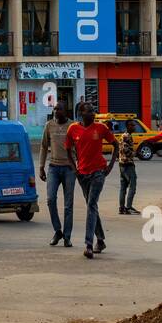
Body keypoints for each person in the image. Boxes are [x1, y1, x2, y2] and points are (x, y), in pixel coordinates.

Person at [65, 102, 116, 259]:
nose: (93, 114)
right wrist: (74, 169)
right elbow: (67, 149)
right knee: (91, 206)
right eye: (89, 111)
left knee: (91, 204)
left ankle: (88, 244)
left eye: (94, 111)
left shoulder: (101, 128)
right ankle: (100, 240)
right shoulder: (73, 129)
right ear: (81, 113)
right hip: (82, 174)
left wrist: (110, 166)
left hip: (98, 172)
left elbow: (115, 144)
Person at [39, 105, 76, 247]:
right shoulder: (49, 125)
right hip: (53, 168)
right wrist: (41, 167)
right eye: (54, 109)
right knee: (50, 199)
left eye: (59, 109)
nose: (56, 111)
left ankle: (67, 236)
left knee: (68, 205)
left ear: (65, 111)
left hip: (69, 169)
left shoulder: (72, 125)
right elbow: (43, 146)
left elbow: (79, 146)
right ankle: (57, 231)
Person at [116, 119, 138, 214]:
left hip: (122, 164)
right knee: (132, 186)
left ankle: (122, 208)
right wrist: (134, 154)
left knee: (123, 187)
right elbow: (125, 150)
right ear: (128, 126)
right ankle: (128, 207)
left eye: (134, 125)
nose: (134, 127)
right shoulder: (126, 136)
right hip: (127, 164)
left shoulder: (125, 136)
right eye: (132, 125)